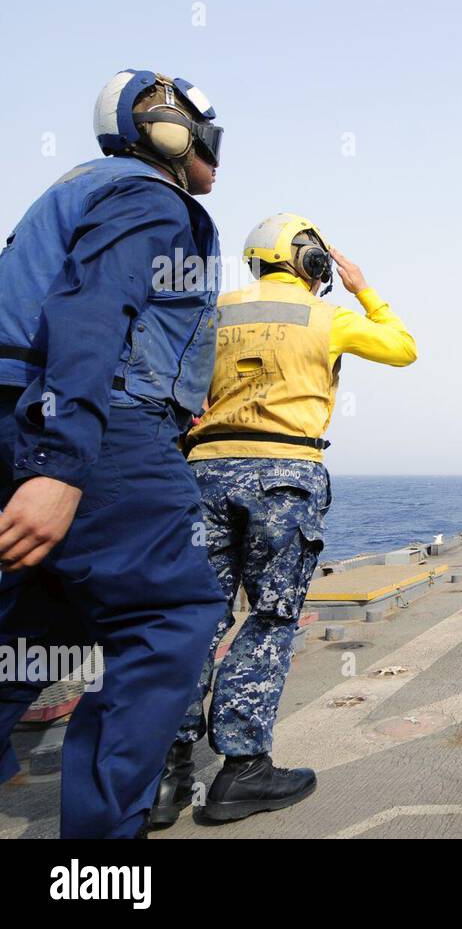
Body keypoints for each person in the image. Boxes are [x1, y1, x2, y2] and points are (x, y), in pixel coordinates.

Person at [0, 69, 227, 838]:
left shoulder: (75, 192)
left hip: (23, 407)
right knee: (171, 611)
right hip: (88, 418)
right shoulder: (146, 195)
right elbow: (91, 308)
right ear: (163, 128)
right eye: (205, 133)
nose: (215, 153)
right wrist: (63, 465)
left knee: (39, 623)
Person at [150, 214, 417, 826]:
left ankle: (165, 776)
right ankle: (242, 772)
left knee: (194, 618)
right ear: (311, 262)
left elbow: (176, 385)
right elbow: (404, 348)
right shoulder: (328, 316)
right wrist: (363, 288)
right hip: (284, 474)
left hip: (204, 473)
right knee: (269, 617)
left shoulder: (216, 310)